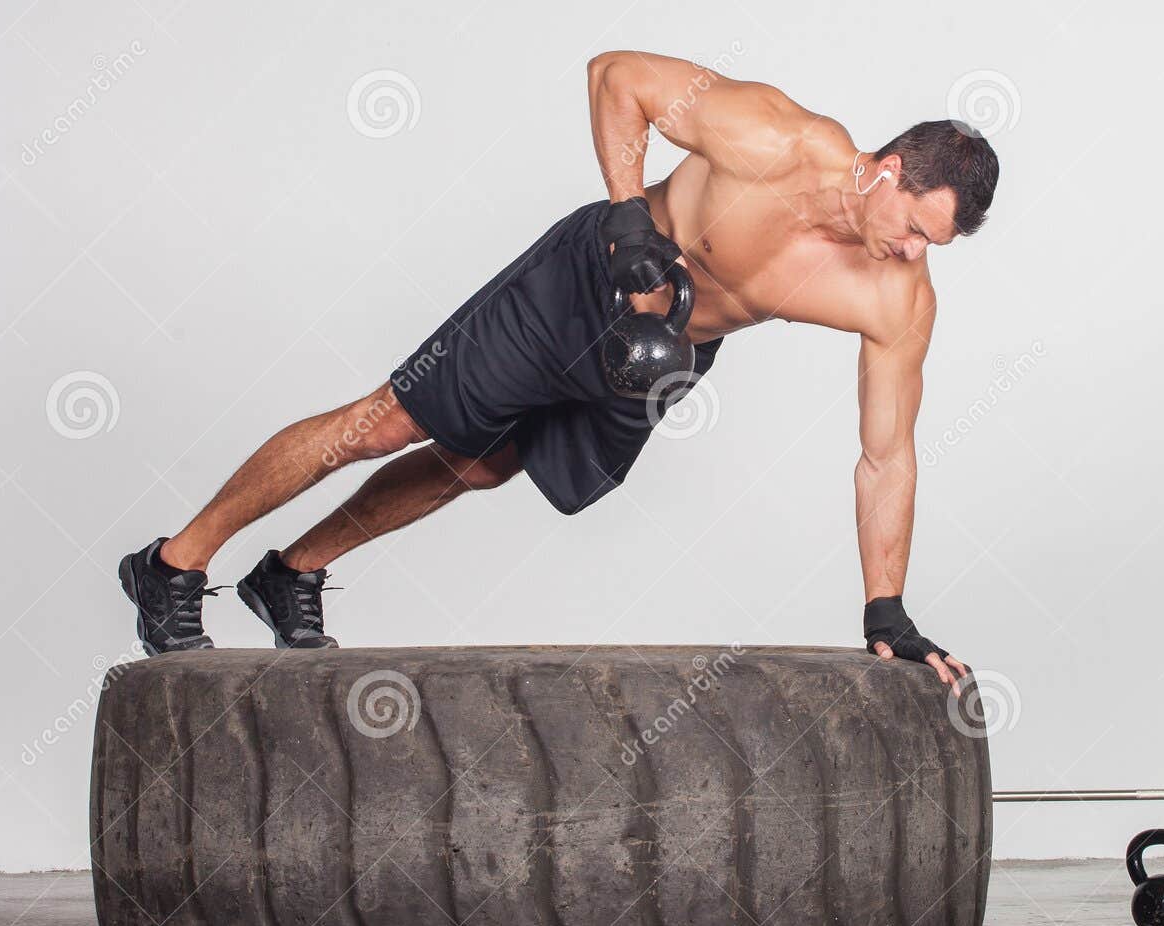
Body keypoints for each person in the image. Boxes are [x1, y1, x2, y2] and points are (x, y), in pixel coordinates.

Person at [119, 50, 998, 688]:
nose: (916, 253)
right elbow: (617, 76)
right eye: (917, 227)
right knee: (390, 420)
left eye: (935, 245)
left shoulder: (897, 299)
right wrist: (626, 215)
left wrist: (888, 609)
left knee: (487, 463)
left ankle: (292, 573)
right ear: (887, 172)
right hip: (591, 276)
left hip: (666, 348)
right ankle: (172, 565)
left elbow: (888, 456)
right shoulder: (775, 137)